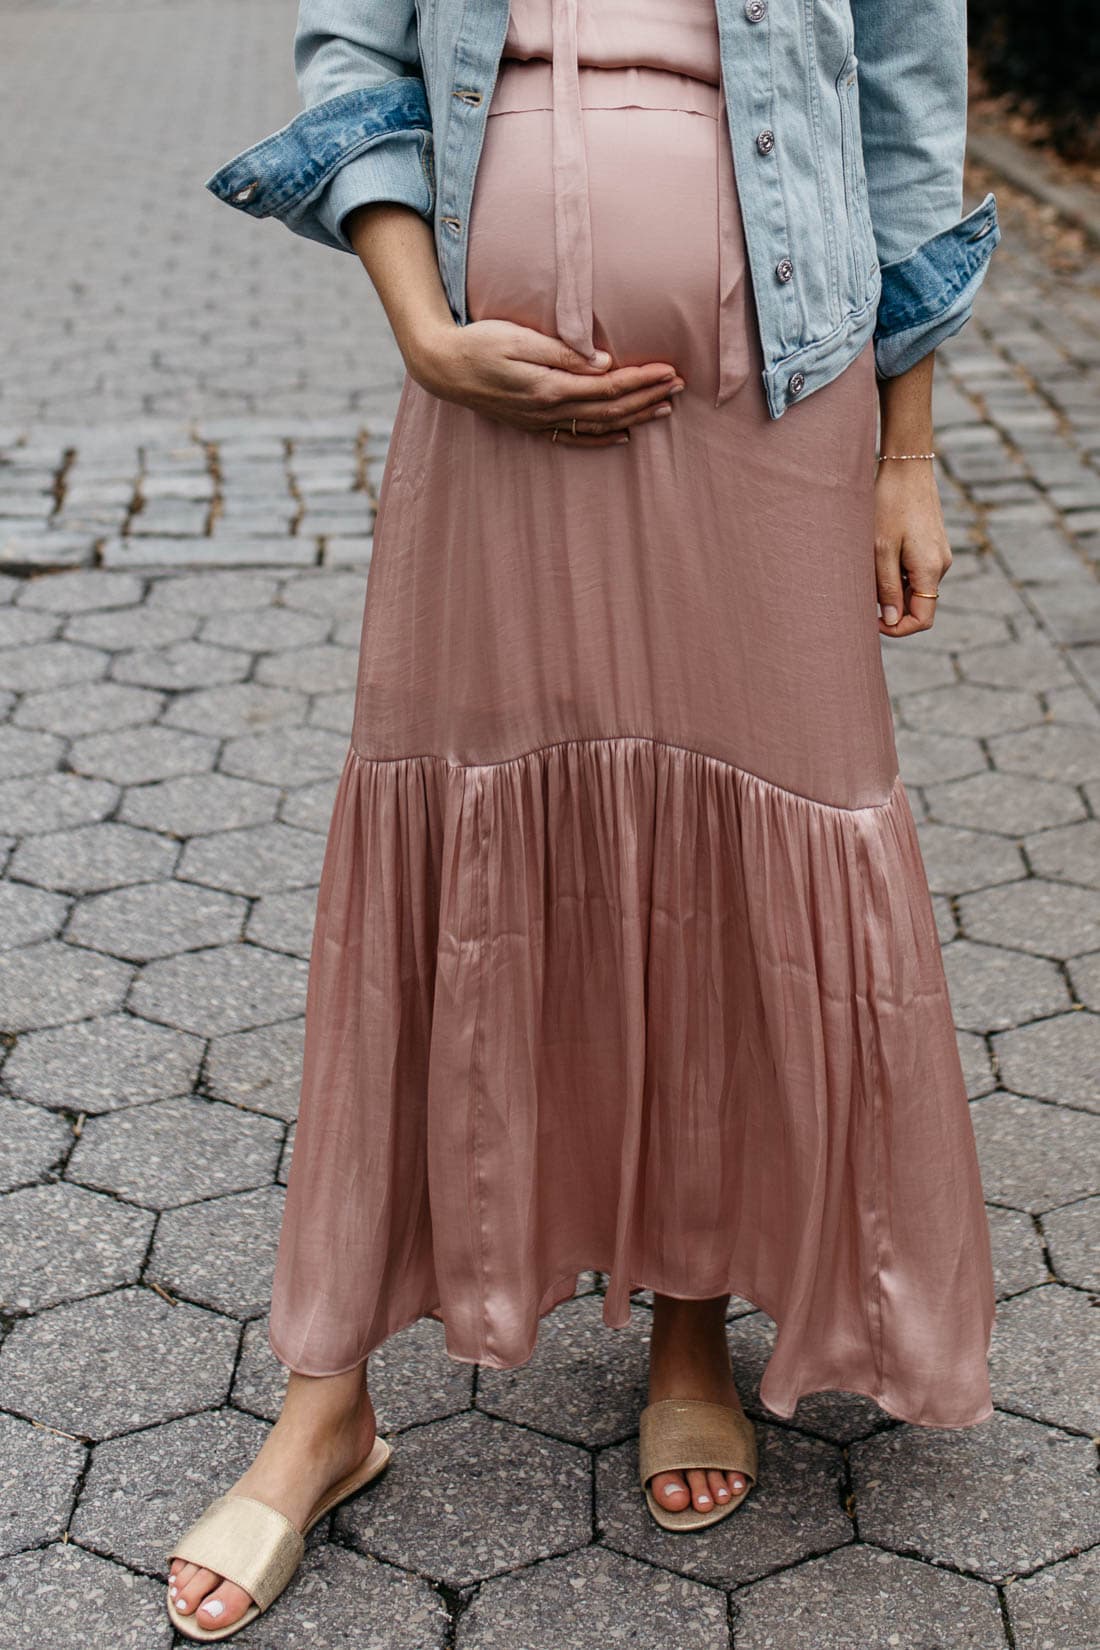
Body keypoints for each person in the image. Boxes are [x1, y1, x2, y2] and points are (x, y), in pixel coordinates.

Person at [166, 0, 1002, 1636]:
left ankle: (691, 1320)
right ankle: (326, 1398)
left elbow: (905, 107)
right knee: (449, 837)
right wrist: (424, 327)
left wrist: (911, 448)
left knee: (730, 856)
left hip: (779, 397)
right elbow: (354, 49)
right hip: (490, 401)